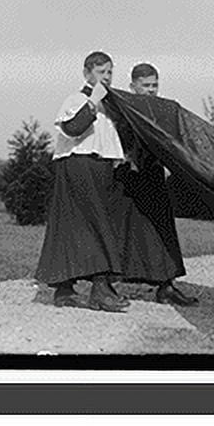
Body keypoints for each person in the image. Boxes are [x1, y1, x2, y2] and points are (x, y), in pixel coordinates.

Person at [35, 51, 129, 312]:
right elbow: (72, 129)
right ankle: (99, 289)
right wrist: (91, 102)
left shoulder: (109, 105)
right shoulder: (77, 98)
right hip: (78, 165)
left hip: (99, 166)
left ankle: (66, 290)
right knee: (94, 223)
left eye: (110, 72)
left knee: (79, 225)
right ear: (87, 74)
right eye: (101, 72)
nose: (107, 77)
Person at [112, 62, 198, 306]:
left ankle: (166, 285)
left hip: (152, 175)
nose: (151, 90)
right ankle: (109, 286)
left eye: (154, 85)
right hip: (127, 177)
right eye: (145, 85)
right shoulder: (122, 107)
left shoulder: (162, 110)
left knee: (162, 230)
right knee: (121, 230)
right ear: (133, 86)